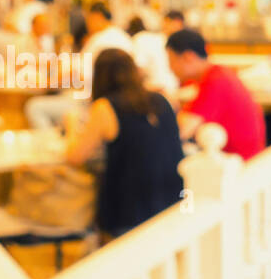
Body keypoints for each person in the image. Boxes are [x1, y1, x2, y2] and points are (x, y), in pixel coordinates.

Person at [64, 48, 184, 239]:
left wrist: (70, 126)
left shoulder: (106, 106)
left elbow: (75, 157)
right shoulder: (162, 99)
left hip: (129, 210)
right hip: (171, 201)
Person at [25, 2, 132, 129]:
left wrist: (48, 84)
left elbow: (78, 75)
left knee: (34, 108)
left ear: (96, 17)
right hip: (119, 102)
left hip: (94, 103)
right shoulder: (123, 38)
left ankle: (50, 145)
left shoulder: (100, 40)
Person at [165, 28, 266, 161]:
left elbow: (182, 131)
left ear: (188, 57)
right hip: (246, 159)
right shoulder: (219, 73)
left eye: (171, 60)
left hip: (239, 165)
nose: (170, 68)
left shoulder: (215, 81)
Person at [126, 15, 177, 96]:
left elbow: (138, 70)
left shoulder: (142, 39)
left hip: (160, 92)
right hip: (163, 91)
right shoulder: (144, 39)